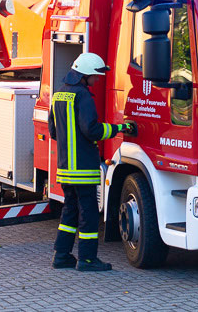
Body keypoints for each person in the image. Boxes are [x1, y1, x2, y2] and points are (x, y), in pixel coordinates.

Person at [48, 52, 134, 272]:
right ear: (85, 75)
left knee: (70, 211)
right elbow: (92, 130)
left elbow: (53, 131)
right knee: (88, 214)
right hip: (83, 168)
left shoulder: (58, 95)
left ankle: (62, 256)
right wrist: (118, 129)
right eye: (95, 76)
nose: (97, 80)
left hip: (65, 168)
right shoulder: (83, 96)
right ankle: (87, 260)